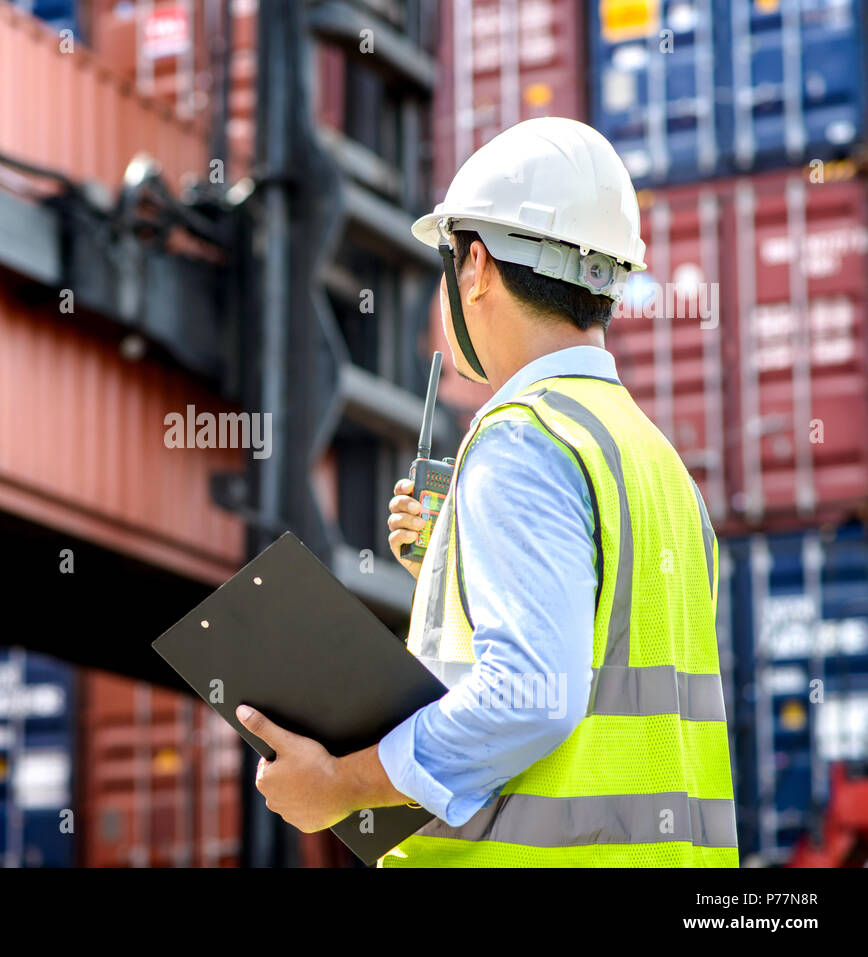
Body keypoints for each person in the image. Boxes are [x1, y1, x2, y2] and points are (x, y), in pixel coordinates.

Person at [236, 117, 739, 867]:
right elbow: (610, 659)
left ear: (475, 264)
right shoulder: (654, 460)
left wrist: (343, 781)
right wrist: (459, 581)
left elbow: (534, 693)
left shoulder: (523, 438)